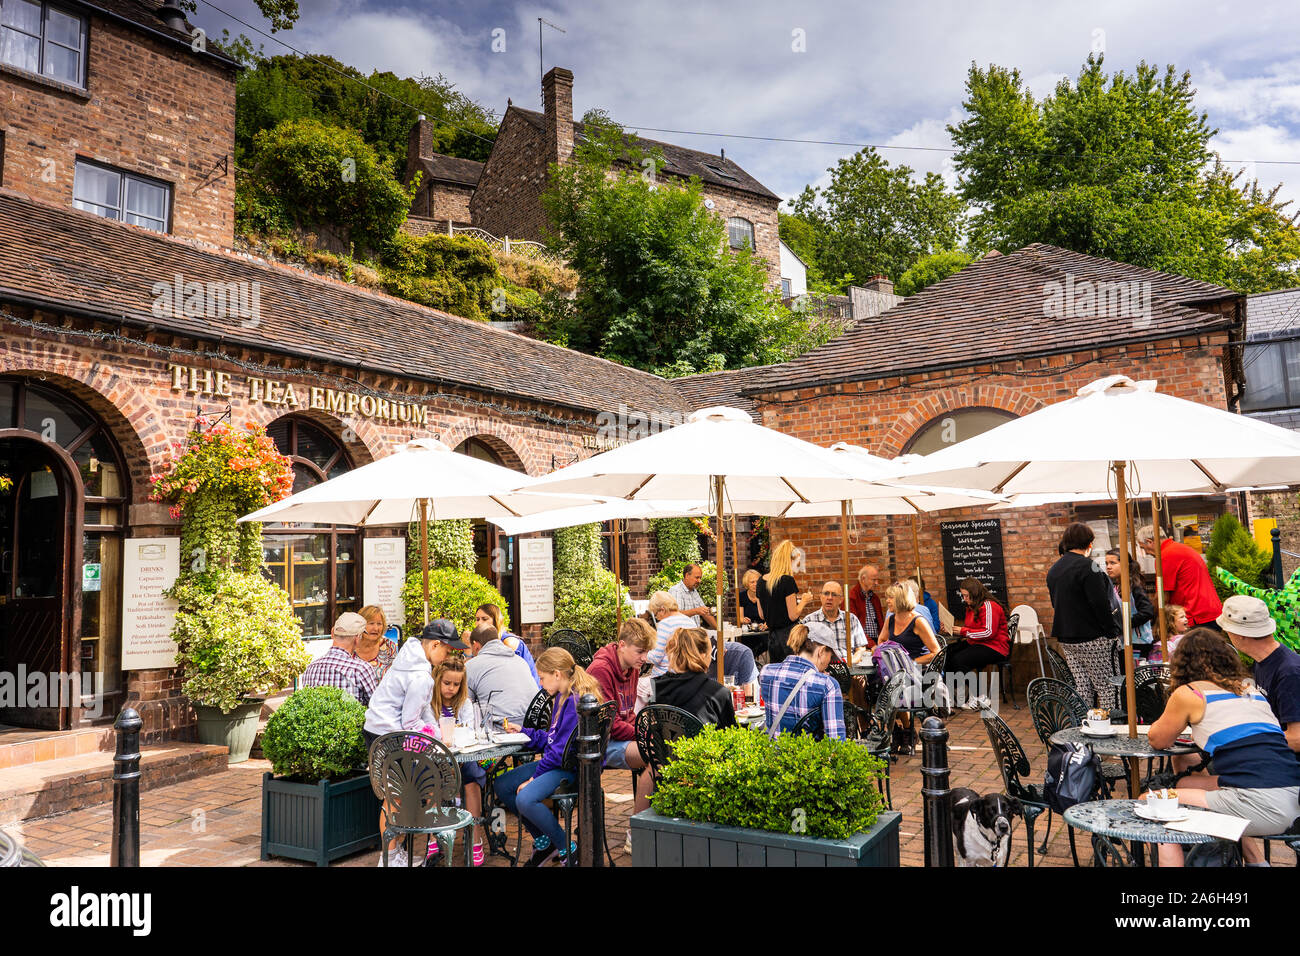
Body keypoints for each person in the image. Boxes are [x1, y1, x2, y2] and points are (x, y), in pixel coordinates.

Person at [1146, 627, 1300, 867]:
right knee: (1184, 780)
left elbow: (1159, 740)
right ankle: (1257, 863)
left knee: (1151, 801)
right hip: (1291, 797)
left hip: (1258, 804)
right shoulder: (1250, 690)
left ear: (1181, 662)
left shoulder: (1190, 693)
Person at [363, 622, 459, 867]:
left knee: (399, 796)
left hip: (378, 731)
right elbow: (411, 720)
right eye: (447, 650)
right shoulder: (420, 677)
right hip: (389, 736)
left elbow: (422, 710)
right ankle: (389, 858)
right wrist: (435, 737)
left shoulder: (410, 660)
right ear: (435, 645)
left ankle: (394, 854)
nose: (448, 656)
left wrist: (436, 731)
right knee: (395, 798)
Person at [496, 648, 603, 866]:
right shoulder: (562, 697)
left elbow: (557, 752)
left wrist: (533, 779)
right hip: (559, 763)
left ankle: (565, 847)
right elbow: (553, 739)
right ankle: (545, 843)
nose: (541, 684)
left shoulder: (574, 701)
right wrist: (525, 732)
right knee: (503, 784)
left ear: (557, 674)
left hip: (571, 768)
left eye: (542, 678)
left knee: (524, 798)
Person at [587, 618, 654, 836]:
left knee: (663, 751)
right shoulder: (600, 670)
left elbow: (629, 713)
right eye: (640, 651)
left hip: (618, 737)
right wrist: (644, 734)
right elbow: (612, 726)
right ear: (622, 645)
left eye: (646, 652)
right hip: (599, 743)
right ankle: (637, 834)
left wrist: (646, 730)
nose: (644, 658)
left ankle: (649, 825)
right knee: (656, 754)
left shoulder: (632, 668)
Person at [1046, 522, 1121, 708]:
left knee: (1082, 687)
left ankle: (1083, 726)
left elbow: (1055, 603)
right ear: (1089, 543)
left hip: (1067, 638)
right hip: (1094, 638)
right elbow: (1100, 604)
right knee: (1108, 687)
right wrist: (1112, 632)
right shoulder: (1091, 567)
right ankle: (1111, 727)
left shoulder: (1054, 569)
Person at [1220, 595, 1300, 756]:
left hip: (1287, 767)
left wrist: (1239, 741)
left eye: (1226, 630)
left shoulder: (1289, 672)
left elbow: (1297, 739)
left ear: (1239, 634)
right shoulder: (1263, 660)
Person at [431, 657, 487, 866]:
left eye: (456, 684)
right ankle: (432, 836)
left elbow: (469, 731)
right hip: (436, 757)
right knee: (430, 778)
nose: (451, 688)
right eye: (447, 683)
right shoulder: (430, 703)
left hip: (463, 756)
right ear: (438, 680)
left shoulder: (464, 703)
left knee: (472, 778)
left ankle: (475, 838)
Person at [646, 591, 755, 687]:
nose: (657, 618)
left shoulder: (665, 624)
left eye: (656, 614)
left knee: (642, 689)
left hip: (666, 678)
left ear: (662, 610)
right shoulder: (689, 621)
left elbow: (656, 657)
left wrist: (642, 654)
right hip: (689, 675)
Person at [759, 622, 845, 739]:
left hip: (773, 755)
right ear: (821, 651)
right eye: (831, 656)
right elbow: (836, 740)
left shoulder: (766, 672)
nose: (829, 662)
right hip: (807, 756)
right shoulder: (827, 685)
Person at [1136, 524, 1223, 631]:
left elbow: (1163, 597)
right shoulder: (1178, 548)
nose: (1146, 553)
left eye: (1143, 548)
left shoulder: (1165, 555)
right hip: (1206, 611)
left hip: (1195, 615)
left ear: (1149, 542)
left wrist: (1150, 618)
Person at [650, 626, 738, 728]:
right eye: (710, 652)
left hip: (665, 743)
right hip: (704, 744)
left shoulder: (655, 686)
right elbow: (731, 734)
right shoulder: (718, 693)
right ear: (703, 655)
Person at [465, 623, 539, 728]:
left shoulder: (471, 666)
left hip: (503, 731)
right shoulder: (521, 661)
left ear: (476, 645)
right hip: (534, 727)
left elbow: (465, 706)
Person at [757, 539, 815, 664]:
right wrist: (804, 601)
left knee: (778, 673)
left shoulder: (760, 581)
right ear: (789, 560)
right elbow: (793, 615)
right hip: (789, 638)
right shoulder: (787, 581)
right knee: (793, 673)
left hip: (772, 637)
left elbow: (762, 615)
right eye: (795, 562)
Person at [301, 612, 378, 706]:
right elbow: (377, 706)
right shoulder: (360, 669)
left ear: (332, 633)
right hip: (354, 720)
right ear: (357, 638)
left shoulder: (311, 668)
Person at [943, 577, 1010, 677]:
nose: (964, 599)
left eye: (966, 596)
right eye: (963, 595)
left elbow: (988, 632)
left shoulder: (989, 605)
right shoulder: (972, 606)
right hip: (979, 643)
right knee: (946, 653)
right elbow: (971, 629)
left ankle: (978, 691)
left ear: (974, 594)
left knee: (959, 660)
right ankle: (951, 688)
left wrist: (962, 631)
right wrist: (952, 630)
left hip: (995, 647)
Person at [1104, 549, 1156, 657]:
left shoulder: (1135, 587)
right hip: (1124, 642)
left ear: (1125, 564)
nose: (1108, 567)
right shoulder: (1115, 587)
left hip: (1139, 642)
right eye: (1106, 563)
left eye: (1113, 563)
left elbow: (1147, 611)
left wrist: (1125, 624)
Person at [473, 603, 539, 684]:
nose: (479, 623)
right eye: (477, 619)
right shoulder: (484, 643)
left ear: (496, 620)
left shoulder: (508, 642)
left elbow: (507, 675)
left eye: (484, 619)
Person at [803, 580, 868, 662]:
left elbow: (861, 649)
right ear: (821, 597)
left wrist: (849, 663)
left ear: (841, 599)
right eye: (826, 593)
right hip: (820, 669)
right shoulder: (809, 621)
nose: (829, 598)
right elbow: (802, 652)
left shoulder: (851, 619)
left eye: (834, 595)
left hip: (848, 668)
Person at [880, 582, 940, 665]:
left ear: (901, 599)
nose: (887, 601)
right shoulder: (890, 620)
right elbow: (882, 640)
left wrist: (912, 663)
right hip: (900, 669)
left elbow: (936, 653)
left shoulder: (918, 621)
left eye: (891, 597)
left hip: (919, 669)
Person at [669, 563, 718, 630]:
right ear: (687, 576)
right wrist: (695, 611)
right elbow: (675, 614)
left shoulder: (694, 591)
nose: (699, 581)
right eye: (697, 577)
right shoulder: (676, 591)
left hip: (695, 635)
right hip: (682, 637)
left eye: (700, 578)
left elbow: (705, 613)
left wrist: (719, 631)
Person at [356, 605, 398, 681]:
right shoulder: (350, 647)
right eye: (371, 623)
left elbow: (395, 678)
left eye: (379, 624)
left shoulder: (389, 646)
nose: (376, 628)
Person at [849, 563, 884, 647]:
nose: (877, 583)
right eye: (873, 580)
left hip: (877, 642)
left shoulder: (875, 598)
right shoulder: (852, 598)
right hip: (860, 644)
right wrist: (871, 644)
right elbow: (853, 627)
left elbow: (880, 624)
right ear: (863, 579)